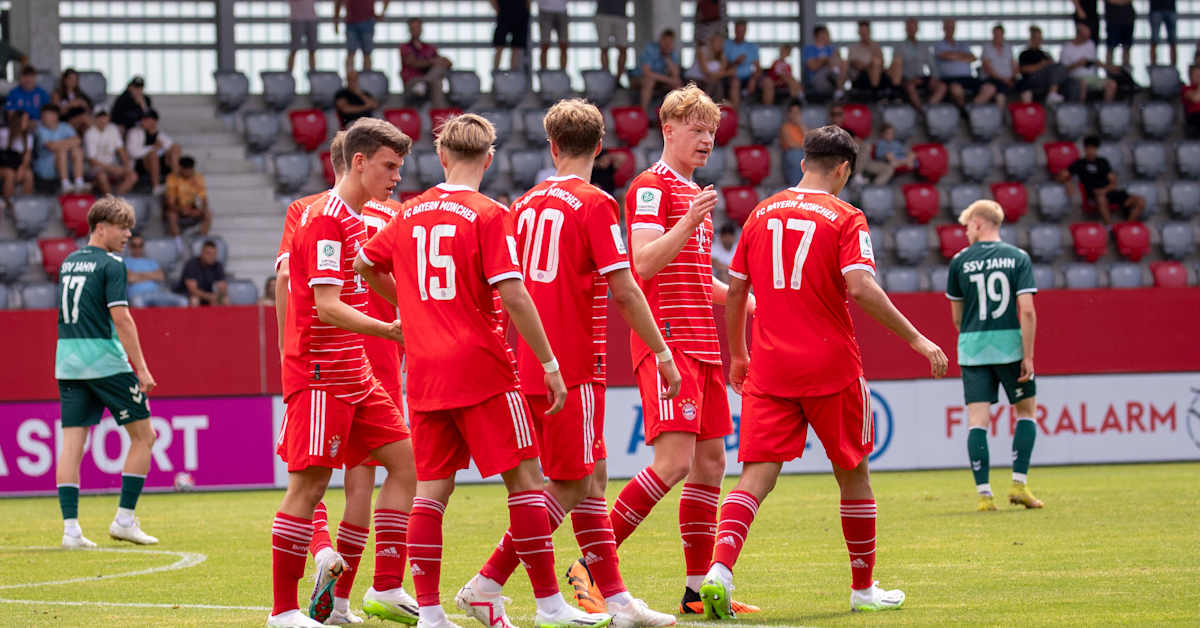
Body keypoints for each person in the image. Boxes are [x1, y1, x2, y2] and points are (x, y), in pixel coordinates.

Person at [354, 113, 611, 628]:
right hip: (482, 367)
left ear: (442, 156)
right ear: (489, 159)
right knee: (526, 481)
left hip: (424, 372)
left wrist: (409, 310)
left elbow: (363, 263)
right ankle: (549, 605)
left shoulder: (406, 213)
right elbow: (514, 294)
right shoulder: (489, 213)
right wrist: (549, 363)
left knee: (432, 489)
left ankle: (429, 611)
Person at [697, 124, 949, 618]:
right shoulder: (845, 216)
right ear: (843, 170)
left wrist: (740, 354)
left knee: (754, 478)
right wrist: (917, 337)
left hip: (770, 366)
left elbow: (736, 293)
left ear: (802, 163)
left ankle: (719, 572)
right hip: (831, 366)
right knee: (853, 474)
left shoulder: (760, 213)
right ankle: (862, 589)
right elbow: (860, 286)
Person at [456, 98, 679, 628]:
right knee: (576, 481)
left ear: (552, 147)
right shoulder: (595, 204)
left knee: (592, 478)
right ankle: (487, 581)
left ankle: (618, 599)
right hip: (574, 361)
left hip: (529, 356)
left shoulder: (523, 204)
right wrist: (664, 352)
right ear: (600, 148)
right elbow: (624, 289)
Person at [614, 84, 759, 617]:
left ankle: (697, 590)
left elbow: (700, 283)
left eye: (712, 133)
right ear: (667, 129)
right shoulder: (652, 187)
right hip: (668, 342)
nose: (705, 140)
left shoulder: (692, 192)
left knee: (710, 466)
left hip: (704, 345)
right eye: (695, 130)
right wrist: (690, 221)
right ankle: (590, 565)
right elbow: (643, 263)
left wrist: (743, 302)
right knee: (672, 463)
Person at [267, 118, 416, 628]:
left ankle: (363, 594)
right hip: (323, 372)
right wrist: (392, 330)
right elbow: (326, 306)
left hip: (357, 373)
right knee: (308, 487)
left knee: (405, 465)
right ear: (359, 161)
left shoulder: (355, 220)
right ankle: (283, 611)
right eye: (389, 166)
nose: (396, 177)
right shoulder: (324, 219)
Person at [54, 196, 159, 549]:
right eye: (122, 227)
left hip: (67, 362)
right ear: (101, 228)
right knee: (145, 437)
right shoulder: (112, 264)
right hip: (105, 361)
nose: (128, 233)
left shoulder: (69, 261)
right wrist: (141, 368)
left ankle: (71, 531)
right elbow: (121, 317)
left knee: (72, 444)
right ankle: (124, 519)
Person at [945, 200, 1043, 513]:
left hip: (972, 349)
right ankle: (1019, 484)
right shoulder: (1018, 258)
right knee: (1025, 413)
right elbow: (1026, 310)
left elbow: (957, 318)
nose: (965, 231)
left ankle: (985, 496)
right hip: (1010, 348)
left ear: (978, 222)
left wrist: (974, 334)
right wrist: (1027, 355)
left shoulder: (959, 261)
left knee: (977, 422)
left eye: (967, 225)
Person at [1058, 135, 1145, 225]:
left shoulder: (1103, 162)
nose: (1091, 151)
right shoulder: (1079, 163)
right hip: (1094, 195)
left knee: (1141, 201)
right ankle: (1109, 226)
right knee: (1101, 198)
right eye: (1089, 148)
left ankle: (1127, 226)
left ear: (1097, 149)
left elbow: (1113, 183)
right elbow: (1062, 175)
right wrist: (1067, 182)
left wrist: (1105, 190)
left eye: (1093, 148)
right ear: (1084, 149)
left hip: (1109, 192)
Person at [935, 19, 995, 107]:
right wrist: (963, 56)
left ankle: (971, 109)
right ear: (943, 28)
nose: (950, 29)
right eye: (948, 27)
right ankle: (963, 111)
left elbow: (973, 58)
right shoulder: (939, 45)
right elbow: (944, 55)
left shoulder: (963, 44)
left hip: (968, 78)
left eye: (952, 27)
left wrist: (953, 55)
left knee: (990, 88)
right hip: (950, 79)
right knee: (957, 89)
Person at [895, 18, 947, 112]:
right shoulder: (899, 46)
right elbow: (896, 67)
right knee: (910, 87)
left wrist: (933, 78)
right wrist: (910, 79)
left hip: (921, 77)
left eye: (913, 26)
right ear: (906, 29)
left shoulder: (924, 46)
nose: (911, 29)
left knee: (942, 86)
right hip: (906, 78)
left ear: (917, 28)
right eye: (909, 27)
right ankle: (921, 111)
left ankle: (928, 108)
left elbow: (932, 65)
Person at [125, 110, 182, 196]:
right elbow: (132, 152)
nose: (143, 121)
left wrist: (167, 153)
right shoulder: (134, 132)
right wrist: (153, 148)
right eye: (142, 119)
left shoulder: (160, 135)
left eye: (146, 119)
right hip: (140, 166)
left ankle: (177, 181)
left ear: (154, 121)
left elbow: (172, 147)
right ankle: (156, 187)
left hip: (160, 164)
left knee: (175, 148)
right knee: (153, 155)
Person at [85, 107, 138, 196]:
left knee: (133, 176)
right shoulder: (89, 133)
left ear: (108, 117)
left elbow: (121, 150)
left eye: (104, 116)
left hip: (112, 165)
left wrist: (127, 166)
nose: (102, 120)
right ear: (94, 118)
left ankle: (116, 199)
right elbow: (92, 161)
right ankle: (111, 202)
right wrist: (111, 168)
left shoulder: (113, 129)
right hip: (95, 168)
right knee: (102, 176)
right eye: (99, 117)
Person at [34, 104, 87, 193]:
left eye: (47, 116)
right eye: (42, 116)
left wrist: (58, 144)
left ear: (55, 116)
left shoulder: (65, 126)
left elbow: (78, 141)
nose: (43, 119)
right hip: (47, 167)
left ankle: (79, 182)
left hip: (67, 164)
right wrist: (68, 143)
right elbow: (51, 147)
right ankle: (65, 184)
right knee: (62, 151)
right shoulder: (40, 129)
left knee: (77, 150)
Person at [628, 30, 683, 116]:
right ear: (660, 40)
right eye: (665, 41)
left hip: (659, 80)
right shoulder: (650, 49)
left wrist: (667, 58)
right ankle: (643, 114)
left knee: (678, 85)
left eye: (670, 42)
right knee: (649, 81)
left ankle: (676, 115)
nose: (667, 44)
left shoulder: (671, 52)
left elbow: (676, 74)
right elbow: (647, 73)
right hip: (638, 78)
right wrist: (668, 80)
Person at [1060, 22, 1118, 103]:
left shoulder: (1090, 44)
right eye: (1085, 37)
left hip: (1092, 77)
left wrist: (1108, 67)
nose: (1087, 38)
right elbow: (1063, 69)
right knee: (1082, 84)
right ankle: (1081, 110)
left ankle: (1106, 110)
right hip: (1074, 78)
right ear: (1078, 34)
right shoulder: (1067, 48)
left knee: (1112, 84)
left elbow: (1095, 61)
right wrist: (1078, 64)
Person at [400, 18, 452, 108]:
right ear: (409, 30)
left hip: (427, 83)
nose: (416, 30)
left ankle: (424, 83)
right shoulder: (405, 47)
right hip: (413, 82)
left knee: (438, 76)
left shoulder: (429, 47)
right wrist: (431, 61)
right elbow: (412, 63)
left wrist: (441, 61)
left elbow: (446, 63)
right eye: (413, 28)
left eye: (418, 28)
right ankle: (440, 112)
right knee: (437, 81)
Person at [125, 235, 187, 308]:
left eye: (140, 245)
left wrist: (138, 275)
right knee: (137, 302)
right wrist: (152, 275)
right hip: (138, 295)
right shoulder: (124, 262)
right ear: (129, 246)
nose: (137, 248)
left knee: (182, 301)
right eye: (134, 245)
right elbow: (130, 278)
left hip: (157, 293)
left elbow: (161, 277)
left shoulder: (151, 262)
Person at [846, 21, 899, 101]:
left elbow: (882, 63)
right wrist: (871, 65)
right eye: (862, 31)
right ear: (858, 32)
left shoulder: (876, 46)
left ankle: (895, 91)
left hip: (878, 74)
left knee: (896, 61)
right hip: (861, 78)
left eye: (866, 31)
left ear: (869, 32)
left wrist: (874, 65)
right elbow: (857, 65)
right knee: (875, 63)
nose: (864, 34)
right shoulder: (853, 47)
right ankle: (875, 92)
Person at [334, 0, 389, 75]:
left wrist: (383, 12)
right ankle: (350, 80)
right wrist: (335, 21)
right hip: (351, 22)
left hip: (367, 21)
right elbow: (338, 2)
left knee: (366, 54)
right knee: (352, 53)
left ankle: (366, 79)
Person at [1016, 26, 1068, 104]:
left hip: (1046, 81)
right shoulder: (1025, 54)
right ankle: (1052, 94)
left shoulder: (1045, 54)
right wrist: (1041, 65)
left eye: (1040, 38)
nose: (1039, 40)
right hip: (1032, 79)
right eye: (1037, 38)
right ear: (1032, 38)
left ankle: (1053, 93)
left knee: (1060, 67)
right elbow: (1023, 69)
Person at [164, 156, 212, 236]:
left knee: (208, 213)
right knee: (171, 215)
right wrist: (181, 210)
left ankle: (202, 238)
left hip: (193, 207)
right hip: (177, 208)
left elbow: (203, 198)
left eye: (191, 170)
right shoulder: (172, 178)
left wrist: (201, 209)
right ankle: (177, 241)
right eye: (187, 170)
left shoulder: (198, 178)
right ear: (180, 168)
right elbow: (170, 203)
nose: (189, 172)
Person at [687, 32, 736, 105]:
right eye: (718, 41)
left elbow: (720, 72)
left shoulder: (721, 55)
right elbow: (706, 73)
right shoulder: (703, 51)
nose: (720, 44)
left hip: (709, 81)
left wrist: (723, 57)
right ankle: (709, 105)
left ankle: (716, 107)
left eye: (722, 42)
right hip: (694, 79)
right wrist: (727, 73)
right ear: (711, 41)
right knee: (714, 82)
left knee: (717, 83)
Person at [177, 240, 229, 306]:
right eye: (208, 253)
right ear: (202, 253)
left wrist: (219, 294)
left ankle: (220, 316)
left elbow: (224, 288)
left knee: (225, 300)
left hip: (208, 296)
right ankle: (193, 316)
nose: (211, 256)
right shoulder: (192, 264)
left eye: (214, 254)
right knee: (194, 300)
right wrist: (209, 297)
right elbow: (192, 290)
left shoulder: (217, 265)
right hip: (189, 295)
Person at [0, 109, 35, 208]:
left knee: (28, 174)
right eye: (25, 120)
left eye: (28, 120)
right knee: (9, 173)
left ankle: (25, 205)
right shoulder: (3, 133)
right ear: (17, 120)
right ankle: (8, 204)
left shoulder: (28, 136)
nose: (27, 123)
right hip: (3, 165)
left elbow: (27, 155)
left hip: (17, 164)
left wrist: (22, 168)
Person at [802, 25, 847, 101]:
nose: (829, 36)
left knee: (844, 62)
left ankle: (838, 86)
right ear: (819, 35)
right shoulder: (809, 49)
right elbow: (813, 66)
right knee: (834, 62)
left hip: (833, 79)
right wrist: (826, 60)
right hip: (817, 79)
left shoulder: (832, 49)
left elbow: (841, 63)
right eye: (826, 33)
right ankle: (836, 79)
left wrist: (833, 56)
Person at [724, 20, 760, 110]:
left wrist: (754, 79)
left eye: (742, 31)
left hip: (748, 78)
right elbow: (724, 67)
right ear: (734, 31)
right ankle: (736, 117)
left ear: (746, 31)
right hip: (732, 77)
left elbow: (758, 68)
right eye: (738, 31)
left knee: (767, 83)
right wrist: (736, 62)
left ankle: (767, 114)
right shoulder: (727, 45)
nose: (740, 33)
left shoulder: (752, 47)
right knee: (735, 83)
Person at [980, 24, 1016, 107]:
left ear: (1003, 35)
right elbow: (987, 68)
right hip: (993, 79)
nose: (997, 37)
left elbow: (1013, 64)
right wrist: (1003, 79)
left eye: (999, 34)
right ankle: (1000, 118)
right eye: (995, 34)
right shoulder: (987, 48)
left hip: (1008, 79)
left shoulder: (1008, 47)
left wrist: (1012, 77)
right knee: (1000, 93)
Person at [491, 0, 531, 71]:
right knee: (499, 46)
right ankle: (495, 73)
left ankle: (513, 74)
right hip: (504, 15)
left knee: (516, 48)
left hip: (520, 14)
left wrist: (526, 11)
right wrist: (498, 11)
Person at [595, 0, 630, 78]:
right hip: (603, 15)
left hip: (620, 15)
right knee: (604, 48)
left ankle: (618, 80)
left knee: (623, 48)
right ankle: (606, 78)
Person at [287, 0, 318, 74]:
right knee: (294, 49)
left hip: (312, 18)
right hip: (297, 19)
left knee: (312, 49)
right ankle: (289, 74)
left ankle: (313, 74)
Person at [536, 0, 569, 70]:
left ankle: (563, 72)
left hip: (562, 9)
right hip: (545, 9)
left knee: (564, 44)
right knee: (544, 44)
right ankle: (543, 71)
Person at [781, 100, 806, 184]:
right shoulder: (785, 127)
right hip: (791, 155)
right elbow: (791, 144)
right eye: (794, 113)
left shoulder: (802, 127)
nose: (796, 115)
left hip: (803, 154)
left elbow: (810, 140)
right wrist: (805, 146)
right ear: (789, 114)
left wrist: (801, 124)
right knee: (795, 155)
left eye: (798, 113)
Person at [1104, 0, 1135, 68]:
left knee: (1127, 47)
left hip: (1128, 18)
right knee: (1111, 47)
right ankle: (1109, 70)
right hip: (1113, 19)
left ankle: (1126, 71)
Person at [1149, 0, 1177, 67]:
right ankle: (1153, 66)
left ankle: (1173, 67)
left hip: (1170, 8)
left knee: (1172, 41)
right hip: (1156, 8)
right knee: (1154, 40)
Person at [1184, 65, 1200, 138]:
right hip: (1195, 118)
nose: (1198, 77)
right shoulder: (1186, 89)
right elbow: (1196, 98)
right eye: (1196, 75)